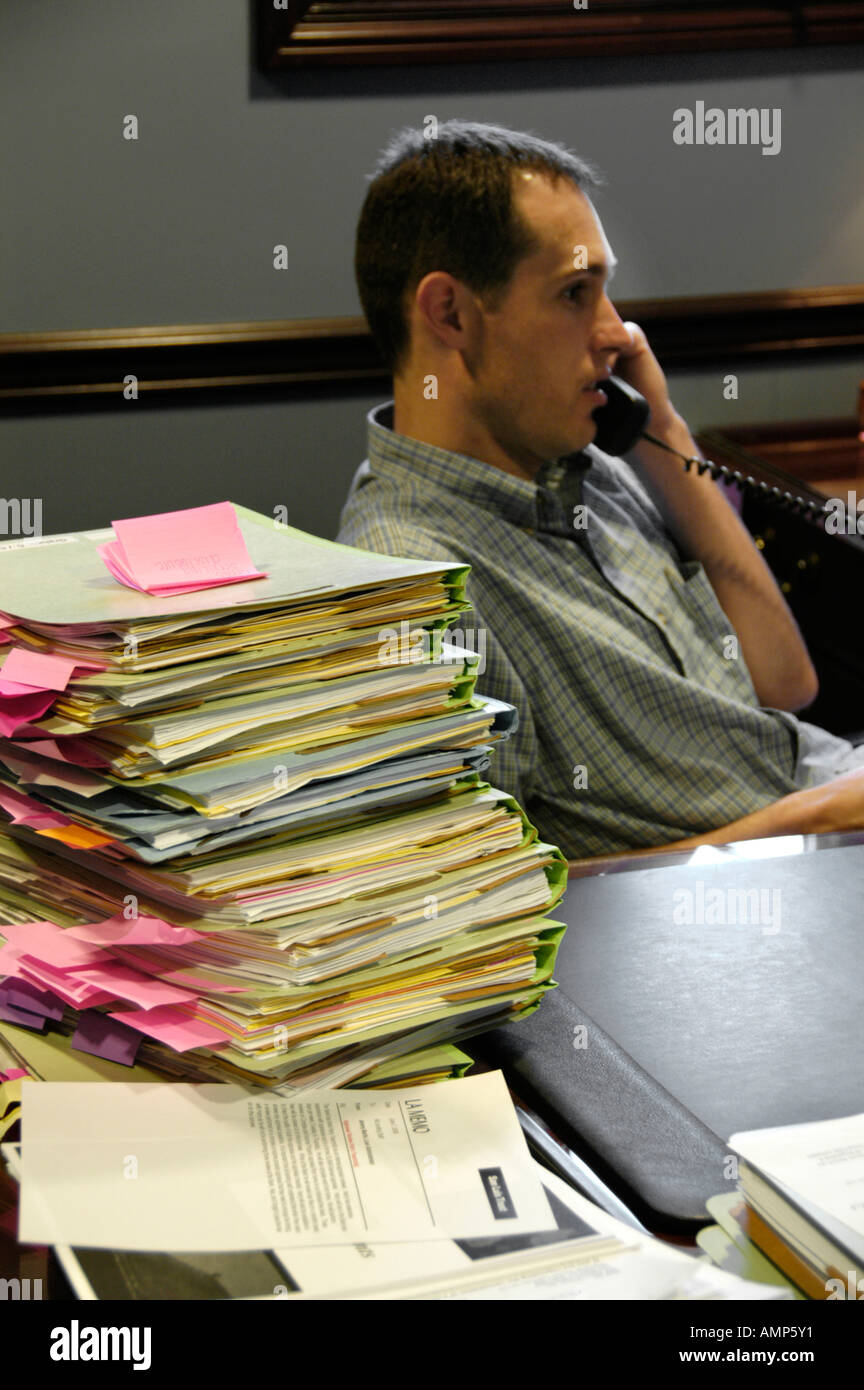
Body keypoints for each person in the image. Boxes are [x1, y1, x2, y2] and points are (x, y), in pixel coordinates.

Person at [337, 119, 864, 861]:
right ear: (450, 313)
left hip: (826, 807)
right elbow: (512, 903)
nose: (618, 333)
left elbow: (785, 683)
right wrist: (808, 823)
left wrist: (665, 435)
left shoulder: (587, 463)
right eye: (575, 293)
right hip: (758, 897)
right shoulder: (417, 587)